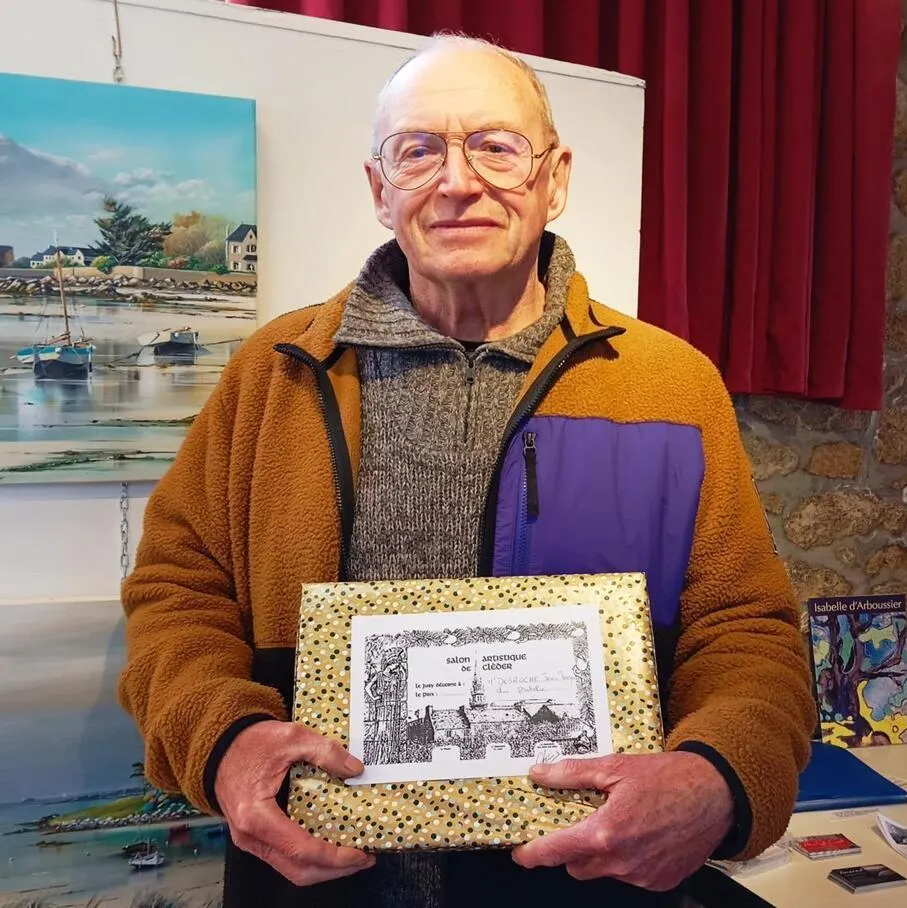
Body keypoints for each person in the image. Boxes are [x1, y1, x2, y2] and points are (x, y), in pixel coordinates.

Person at [117, 33, 816, 908]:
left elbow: (746, 630)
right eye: (418, 151)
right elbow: (178, 591)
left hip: (586, 891)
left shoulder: (670, 385)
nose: (457, 182)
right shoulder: (277, 369)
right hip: (312, 889)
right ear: (380, 190)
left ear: (554, 178)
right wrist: (222, 741)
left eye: (495, 146)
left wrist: (717, 778)